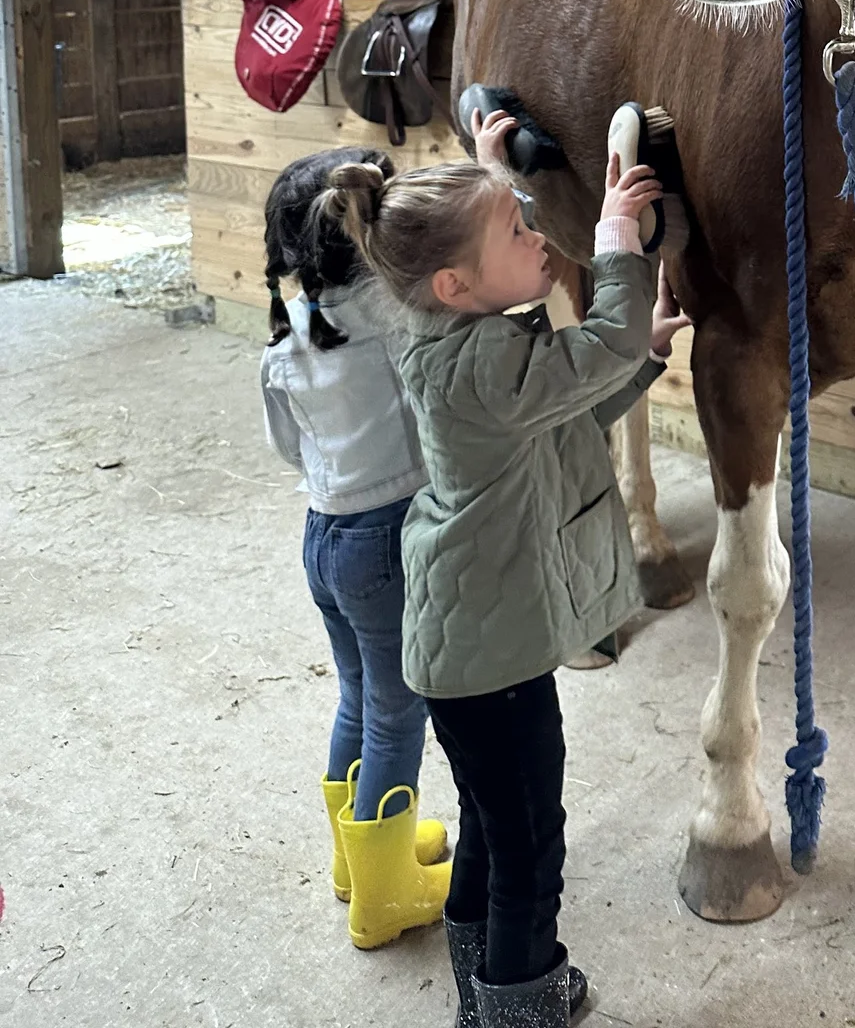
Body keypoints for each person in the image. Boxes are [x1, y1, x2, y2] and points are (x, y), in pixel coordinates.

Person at [318, 110, 682, 1028]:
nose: (538, 234)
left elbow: (569, 411)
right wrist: (615, 246)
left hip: (470, 644)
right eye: (519, 229)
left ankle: (480, 987)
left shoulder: (444, 330)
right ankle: (523, 1006)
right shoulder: (487, 357)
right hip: (493, 655)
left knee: (489, 821)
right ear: (456, 283)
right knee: (529, 851)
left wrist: (644, 358)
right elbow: (593, 348)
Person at [259, 146, 450, 952]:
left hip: (322, 534)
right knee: (398, 715)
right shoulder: (404, 321)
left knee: (355, 697)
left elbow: (288, 453)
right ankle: (382, 896)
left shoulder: (288, 340)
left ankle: (355, 857)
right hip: (384, 538)